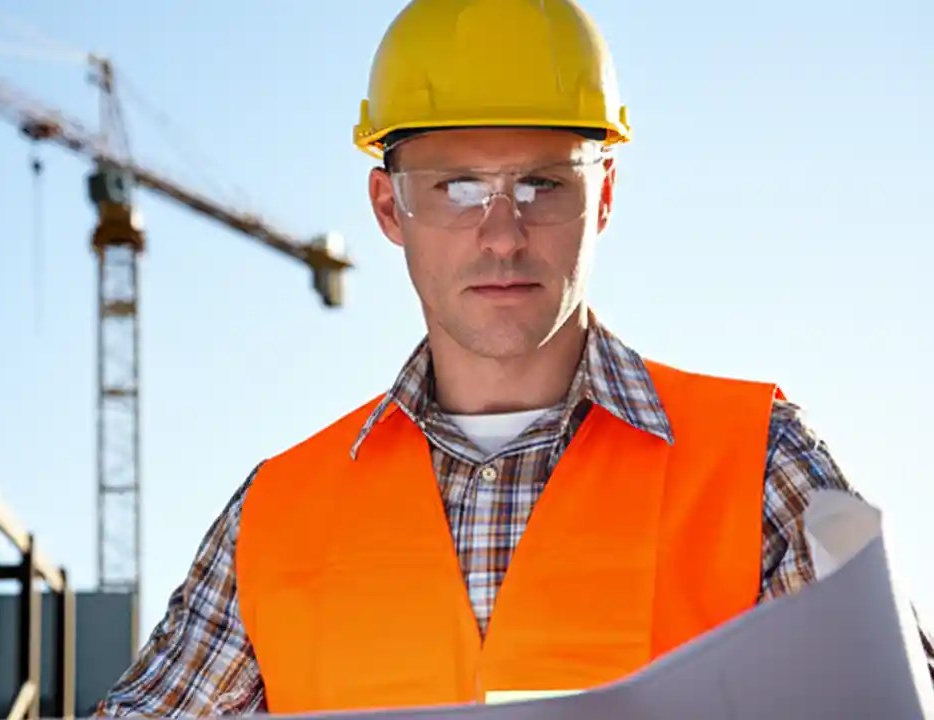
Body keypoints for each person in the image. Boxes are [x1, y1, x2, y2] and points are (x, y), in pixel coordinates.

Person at [94, 0, 934, 715]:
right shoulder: (278, 515)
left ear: (603, 195)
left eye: (544, 183)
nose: (502, 235)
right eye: (456, 188)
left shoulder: (759, 464)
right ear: (389, 205)